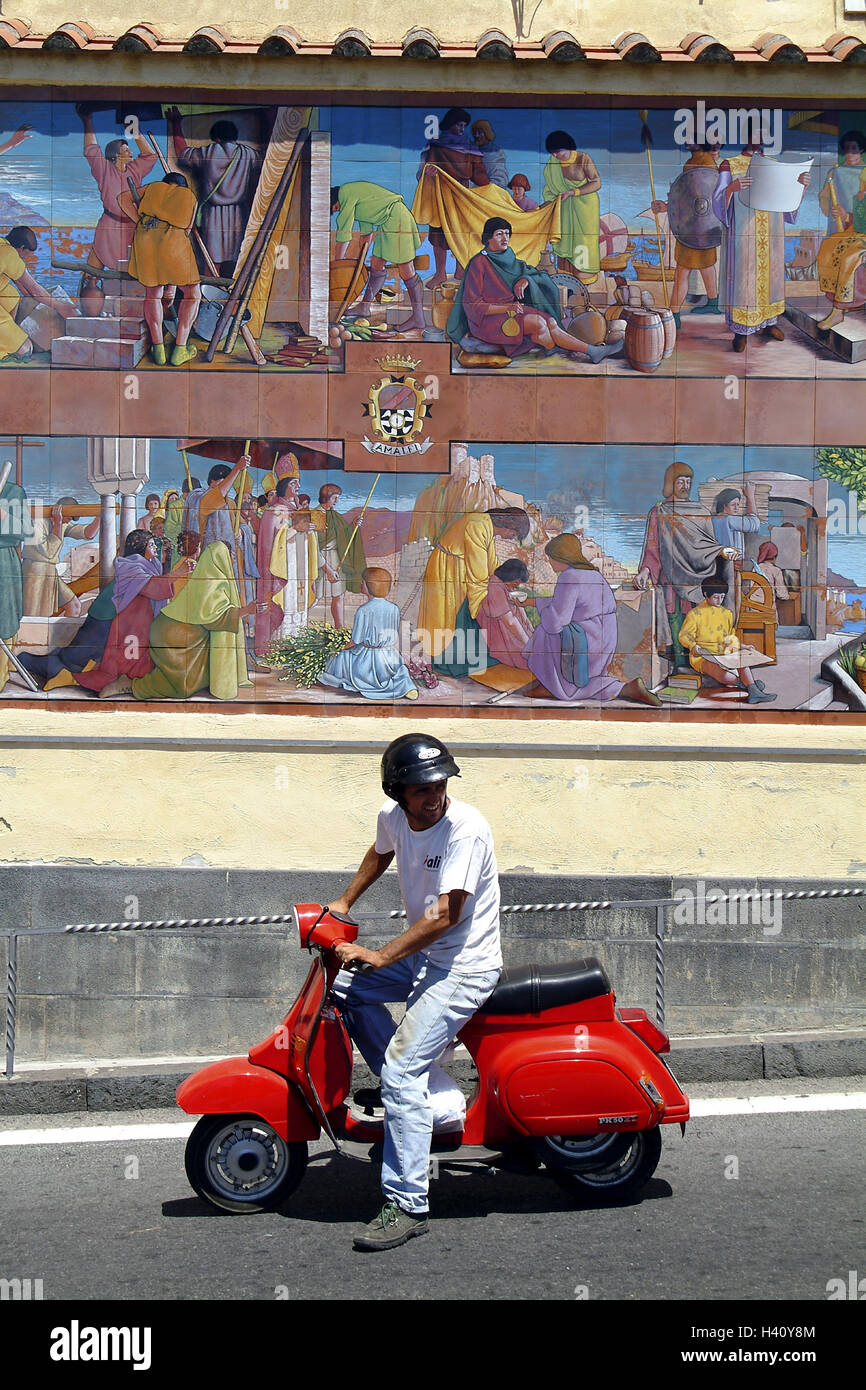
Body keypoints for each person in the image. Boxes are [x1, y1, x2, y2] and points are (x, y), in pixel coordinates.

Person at [329, 733, 502, 1250]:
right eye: (422, 788)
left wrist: (382, 955)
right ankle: (421, 1095)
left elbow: (447, 914)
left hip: (463, 966)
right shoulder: (393, 817)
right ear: (398, 792)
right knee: (345, 987)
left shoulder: (466, 828)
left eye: (440, 784)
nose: (434, 795)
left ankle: (407, 1203)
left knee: (401, 1070)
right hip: (423, 957)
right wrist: (343, 902)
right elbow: (380, 851)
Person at [447, 218, 619, 367]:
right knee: (540, 325)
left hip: (512, 311)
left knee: (550, 322)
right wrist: (507, 308)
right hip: (487, 320)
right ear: (488, 238)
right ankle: (574, 349)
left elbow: (535, 274)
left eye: (507, 233)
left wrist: (525, 279)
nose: (505, 238)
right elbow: (474, 306)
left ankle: (589, 351)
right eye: (499, 234)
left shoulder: (509, 258)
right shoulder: (478, 263)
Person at [524, 533, 660, 705]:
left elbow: (555, 622)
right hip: (605, 638)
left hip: (586, 641)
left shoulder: (568, 577)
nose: (549, 562)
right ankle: (627, 689)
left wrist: (541, 609)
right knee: (585, 675)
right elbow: (568, 603)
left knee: (543, 632)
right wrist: (535, 602)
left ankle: (552, 686)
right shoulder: (593, 574)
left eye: (551, 558)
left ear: (561, 557)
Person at [634, 461, 738, 667]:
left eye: (688, 481)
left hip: (700, 577)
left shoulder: (701, 511)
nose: (685, 486)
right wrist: (645, 570)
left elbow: (708, 545)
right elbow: (653, 546)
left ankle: (702, 666)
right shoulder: (660, 511)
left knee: (701, 621)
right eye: (680, 481)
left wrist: (720, 551)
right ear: (670, 483)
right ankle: (679, 667)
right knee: (675, 620)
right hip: (672, 578)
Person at [712, 138, 810, 351]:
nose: (760, 140)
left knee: (771, 280)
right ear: (746, 137)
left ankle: (769, 324)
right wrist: (731, 188)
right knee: (744, 282)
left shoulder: (774, 164)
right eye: (755, 135)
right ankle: (740, 332)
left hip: (772, 232)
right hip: (744, 233)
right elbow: (718, 201)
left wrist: (801, 186)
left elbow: (787, 201)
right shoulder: (730, 164)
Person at [132, 540, 255, 701]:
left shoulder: (211, 576)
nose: (233, 558)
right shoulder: (212, 581)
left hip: (182, 631)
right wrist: (248, 610)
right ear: (220, 557)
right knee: (183, 686)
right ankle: (137, 686)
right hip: (172, 634)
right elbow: (215, 619)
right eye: (229, 554)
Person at [73, 529, 190, 697]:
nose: (155, 548)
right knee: (126, 658)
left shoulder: (152, 564)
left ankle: (130, 681)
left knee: (141, 657)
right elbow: (151, 586)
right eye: (151, 545)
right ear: (141, 547)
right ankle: (122, 682)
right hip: (130, 621)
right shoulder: (130, 566)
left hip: (143, 618)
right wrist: (177, 574)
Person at [417, 505, 530, 676]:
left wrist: (500, 583)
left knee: (464, 613)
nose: (511, 538)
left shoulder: (486, 526)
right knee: (451, 614)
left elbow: (491, 563)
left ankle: (471, 659)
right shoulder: (477, 525)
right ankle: (450, 664)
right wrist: (482, 603)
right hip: (448, 568)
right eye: (513, 535)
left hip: (461, 568)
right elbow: (478, 571)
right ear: (508, 525)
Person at [169, 111, 262, 278]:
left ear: (217, 138)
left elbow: (183, 154)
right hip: (239, 213)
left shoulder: (208, 152)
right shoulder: (247, 153)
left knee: (211, 259)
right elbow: (266, 161)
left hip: (212, 213)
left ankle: (212, 290)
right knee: (237, 257)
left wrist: (176, 124)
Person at [331, 182, 425, 337]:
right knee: (377, 263)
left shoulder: (344, 194)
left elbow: (344, 233)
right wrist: (361, 251)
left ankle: (418, 318)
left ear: (335, 199)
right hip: (386, 221)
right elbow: (366, 227)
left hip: (397, 218)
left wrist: (338, 265)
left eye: (336, 207)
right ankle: (364, 307)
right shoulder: (352, 193)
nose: (338, 210)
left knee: (406, 270)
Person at [127, 172, 201, 367]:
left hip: (145, 239)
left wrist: (138, 220)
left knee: (153, 294)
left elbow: (122, 198)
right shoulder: (189, 196)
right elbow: (187, 230)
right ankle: (180, 349)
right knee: (193, 293)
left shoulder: (153, 188)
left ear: (165, 183)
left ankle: (158, 350)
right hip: (173, 242)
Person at [78, 104, 158, 274]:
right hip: (109, 226)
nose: (131, 153)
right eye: (126, 150)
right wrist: (87, 121)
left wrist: (134, 131)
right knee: (93, 271)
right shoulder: (104, 170)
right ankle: (89, 287)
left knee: (130, 271)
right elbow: (91, 150)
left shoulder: (134, 170)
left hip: (131, 227)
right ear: (116, 155)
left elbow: (150, 156)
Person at [318, 566, 417, 700]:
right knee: (400, 670)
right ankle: (405, 687)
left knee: (340, 658)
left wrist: (340, 648)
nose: (361, 583)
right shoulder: (394, 609)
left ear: (370, 585)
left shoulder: (363, 610)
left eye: (363, 581)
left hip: (366, 658)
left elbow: (355, 640)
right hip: (389, 655)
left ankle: (367, 683)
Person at [650, 141, 721, 326]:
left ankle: (674, 313)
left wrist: (669, 206)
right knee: (706, 266)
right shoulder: (695, 162)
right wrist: (666, 207)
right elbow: (688, 198)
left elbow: (704, 197)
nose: (687, 141)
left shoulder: (704, 163)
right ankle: (713, 302)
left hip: (696, 227)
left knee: (683, 271)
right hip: (698, 226)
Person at [417, 107, 490, 287]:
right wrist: (428, 173)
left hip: (461, 197)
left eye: (464, 125)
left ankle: (460, 269)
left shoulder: (470, 148)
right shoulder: (436, 146)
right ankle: (440, 273)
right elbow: (423, 172)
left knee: (461, 233)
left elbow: (478, 173)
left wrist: (491, 188)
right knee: (438, 235)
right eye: (458, 125)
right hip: (441, 197)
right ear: (450, 124)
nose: (461, 129)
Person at [678, 577, 776, 703]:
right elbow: (684, 635)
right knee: (720, 672)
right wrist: (693, 646)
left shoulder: (727, 614)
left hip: (724, 652)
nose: (719, 601)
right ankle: (749, 685)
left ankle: (754, 692)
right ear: (706, 595)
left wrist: (743, 646)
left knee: (742, 659)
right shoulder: (695, 614)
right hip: (703, 655)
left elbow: (730, 638)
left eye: (722, 597)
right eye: (716, 597)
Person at [0, 227, 78, 361]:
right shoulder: (9, 254)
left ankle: (7, 335)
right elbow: (34, 289)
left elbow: (23, 286)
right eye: (25, 254)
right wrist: (60, 306)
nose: (24, 258)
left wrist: (42, 300)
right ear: (21, 247)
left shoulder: (2, 245)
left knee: (12, 295)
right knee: (25, 350)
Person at [22, 498, 99, 618]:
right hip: (34, 570)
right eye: (68, 517)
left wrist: (100, 518)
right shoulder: (37, 523)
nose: (68, 521)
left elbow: (88, 534)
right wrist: (58, 524)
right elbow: (48, 552)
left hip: (50, 570)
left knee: (74, 606)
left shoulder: (62, 522)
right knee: (34, 612)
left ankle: (65, 630)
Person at [542, 130, 601, 281]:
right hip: (563, 208)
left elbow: (596, 182)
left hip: (585, 207)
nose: (555, 155)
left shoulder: (583, 158)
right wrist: (547, 204)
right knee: (564, 238)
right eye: (552, 152)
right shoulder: (553, 163)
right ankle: (565, 274)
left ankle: (584, 274)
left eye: (558, 151)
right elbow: (550, 188)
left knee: (583, 240)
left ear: (568, 147)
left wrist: (573, 192)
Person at [311, 483, 366, 629]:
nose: (336, 501)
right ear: (326, 497)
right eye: (334, 497)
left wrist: (353, 525)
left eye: (338, 498)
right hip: (320, 561)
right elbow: (312, 547)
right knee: (314, 597)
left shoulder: (334, 515)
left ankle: (339, 628)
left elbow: (343, 534)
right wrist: (327, 569)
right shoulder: (314, 515)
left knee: (339, 595)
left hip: (336, 558)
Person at [0, 467, 32, 692]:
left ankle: (2, 672)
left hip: (3, 561)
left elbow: (24, 531)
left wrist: (2, 515)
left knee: (4, 617)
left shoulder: (13, 492)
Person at [475, 558, 533, 668]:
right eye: (516, 582)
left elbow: (520, 611)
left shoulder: (508, 584)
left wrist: (529, 627)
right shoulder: (495, 585)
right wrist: (528, 644)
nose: (517, 585)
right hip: (499, 627)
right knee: (526, 656)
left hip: (511, 624)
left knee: (534, 644)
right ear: (509, 576)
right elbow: (510, 622)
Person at [471, 121, 509, 187]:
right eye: (474, 133)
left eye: (480, 133)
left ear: (487, 133)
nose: (476, 135)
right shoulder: (470, 150)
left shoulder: (496, 153)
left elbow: (500, 180)